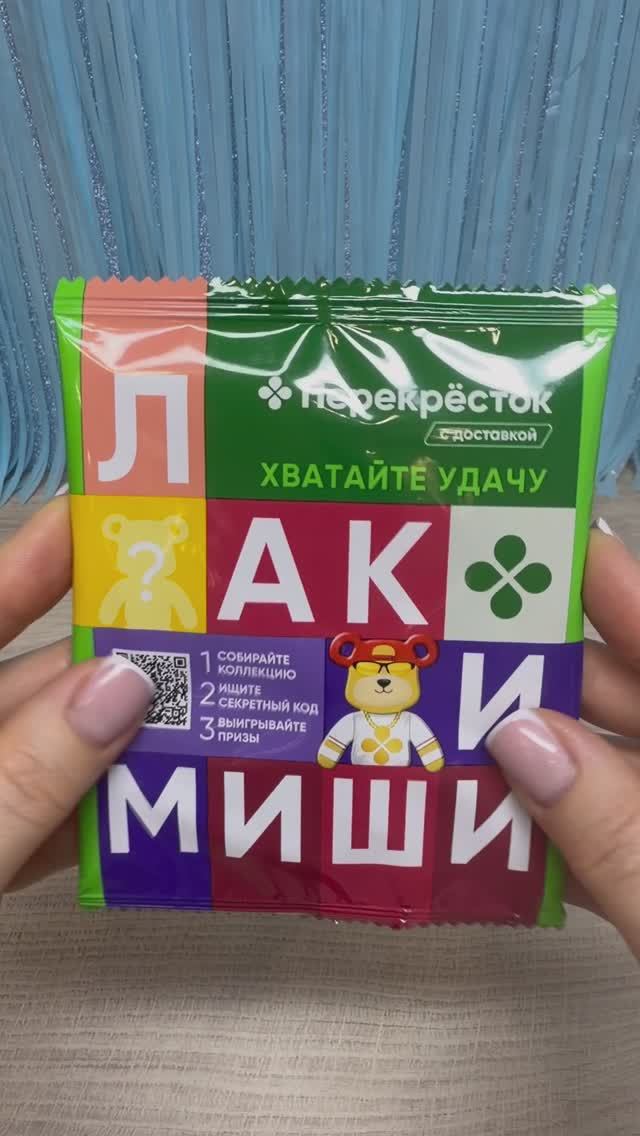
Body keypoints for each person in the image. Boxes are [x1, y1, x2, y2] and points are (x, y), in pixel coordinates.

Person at [1, 500, 639, 957]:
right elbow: (337, 742)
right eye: (373, 673)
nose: (383, 683)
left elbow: (423, 744)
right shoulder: (348, 718)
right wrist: (333, 753)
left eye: (393, 674)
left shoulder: (410, 722)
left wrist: (429, 757)